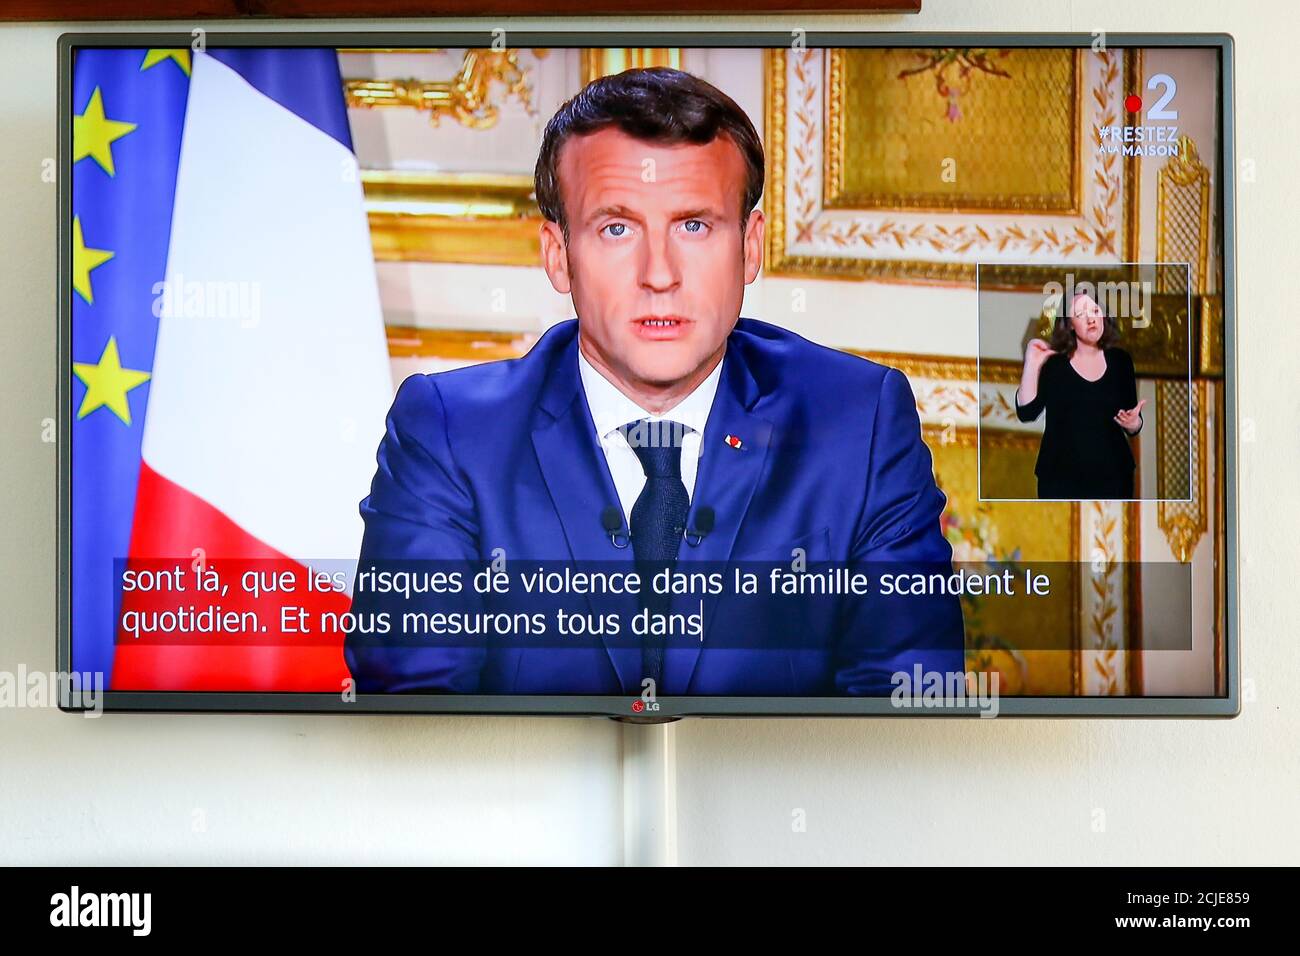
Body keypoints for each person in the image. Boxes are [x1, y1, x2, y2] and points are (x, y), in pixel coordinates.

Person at [345, 67, 964, 697]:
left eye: (694, 225)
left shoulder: (859, 423)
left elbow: (903, 715)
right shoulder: (449, 434)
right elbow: (419, 726)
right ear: (559, 255)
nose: (659, 274)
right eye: (617, 228)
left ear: (749, 248)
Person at [1015, 291, 1146, 499]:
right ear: (1069, 324)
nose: (1091, 318)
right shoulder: (1055, 365)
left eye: (1095, 310)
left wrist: (1133, 423)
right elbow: (1027, 413)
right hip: (1060, 479)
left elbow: (1134, 421)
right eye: (1080, 313)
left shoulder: (1121, 361)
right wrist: (1032, 363)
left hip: (1113, 477)